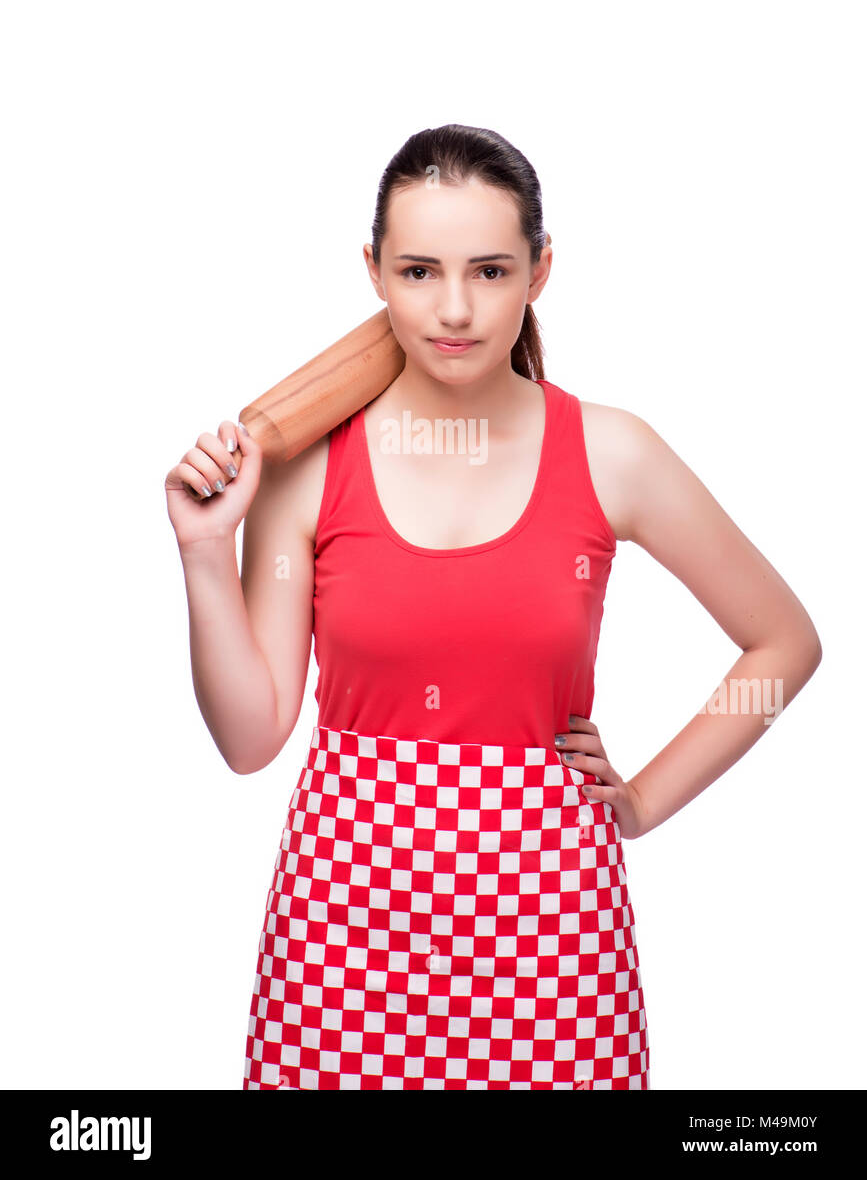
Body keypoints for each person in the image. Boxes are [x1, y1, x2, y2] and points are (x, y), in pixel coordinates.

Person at [165, 123, 822, 1090]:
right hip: (341, 932)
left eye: (491, 270)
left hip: (556, 936)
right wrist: (204, 553)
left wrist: (640, 800)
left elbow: (783, 645)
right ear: (374, 273)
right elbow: (251, 737)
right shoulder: (304, 467)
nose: (457, 309)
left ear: (539, 272)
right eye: (420, 271)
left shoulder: (613, 452)